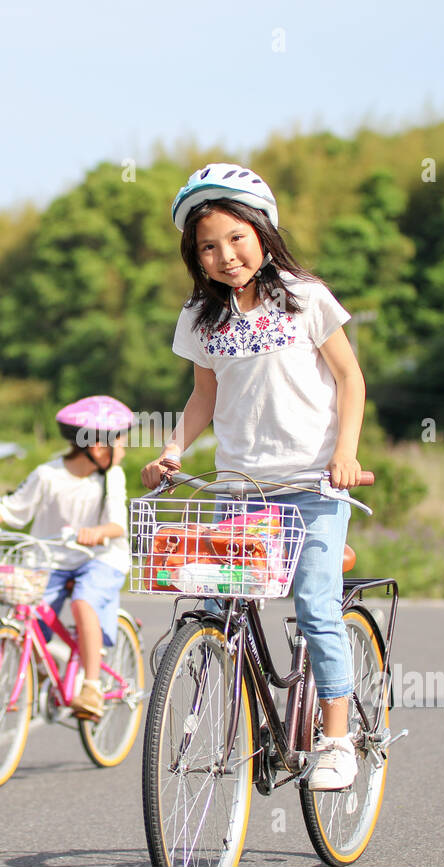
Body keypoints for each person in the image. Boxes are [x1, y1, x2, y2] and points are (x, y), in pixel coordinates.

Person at [141, 163, 368, 791]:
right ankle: (225, 699)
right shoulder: (200, 318)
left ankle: (339, 740)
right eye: (208, 246)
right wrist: (173, 451)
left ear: (262, 233)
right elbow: (201, 400)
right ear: (195, 256)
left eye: (236, 238)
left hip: (313, 483)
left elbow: (350, 378)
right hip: (239, 490)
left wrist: (345, 454)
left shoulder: (304, 297)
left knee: (315, 609)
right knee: (214, 603)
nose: (225, 255)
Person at [0, 396, 133, 719]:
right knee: (27, 611)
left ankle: (92, 688)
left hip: (100, 557)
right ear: (98, 447)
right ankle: (44, 666)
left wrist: (98, 532)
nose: (122, 451)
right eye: (119, 444)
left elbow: (116, 525)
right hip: (51, 558)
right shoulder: (47, 474)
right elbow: (12, 505)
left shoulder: (112, 478)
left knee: (84, 602)